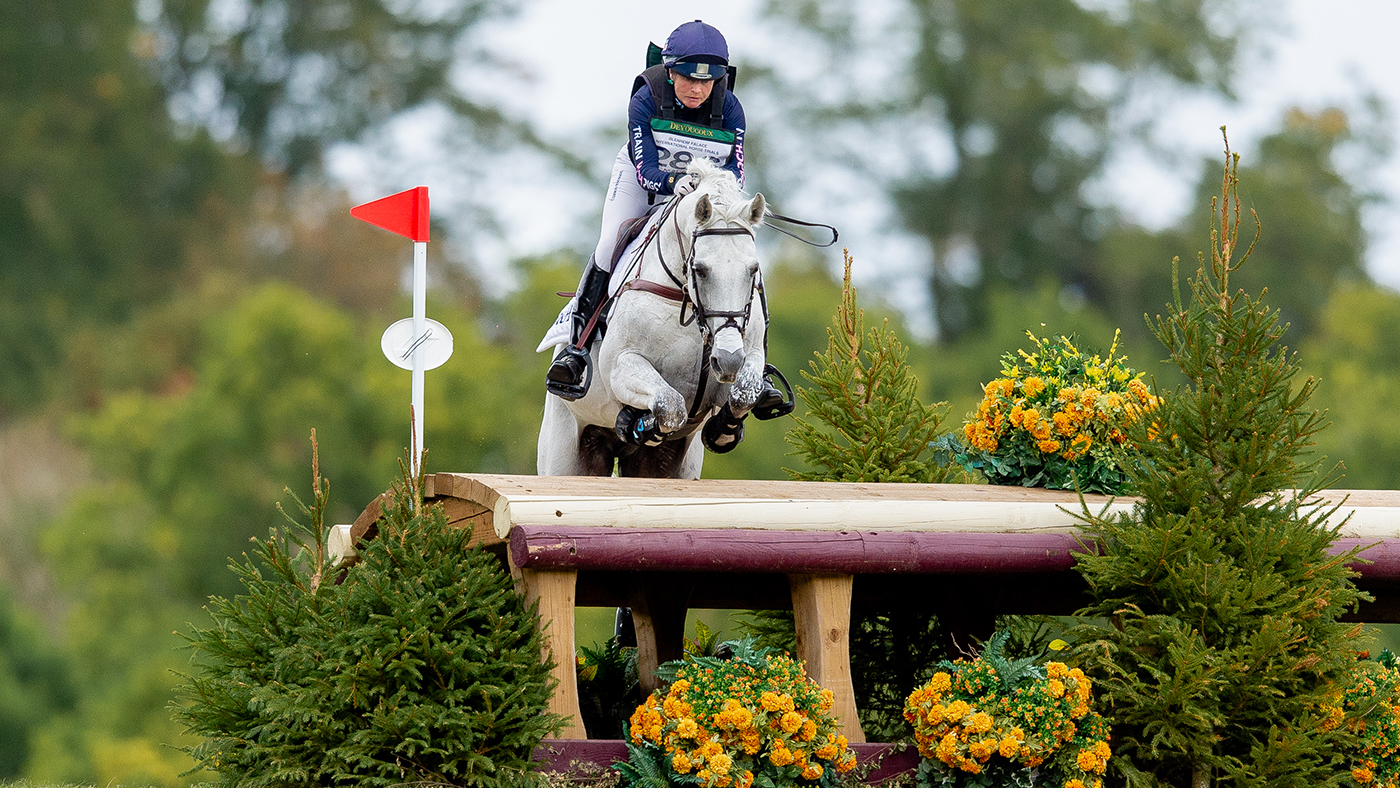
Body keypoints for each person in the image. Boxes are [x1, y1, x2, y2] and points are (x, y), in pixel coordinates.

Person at [545, 19, 747, 400]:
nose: (697, 89)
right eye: (688, 78)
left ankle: (755, 358)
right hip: (643, 181)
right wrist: (674, 185)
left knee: (734, 254)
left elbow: (734, 171)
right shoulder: (646, 98)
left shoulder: (731, 109)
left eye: (706, 81)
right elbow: (646, 168)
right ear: (670, 72)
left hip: (697, 196)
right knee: (610, 244)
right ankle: (576, 347)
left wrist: (714, 195)